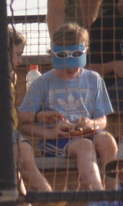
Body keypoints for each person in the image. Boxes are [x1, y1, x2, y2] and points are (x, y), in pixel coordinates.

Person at [19, 23, 117, 191]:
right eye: (64, 60)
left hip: (89, 131)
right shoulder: (43, 82)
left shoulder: (94, 79)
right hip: (58, 139)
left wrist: (90, 123)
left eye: (75, 59)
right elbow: (22, 121)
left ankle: (113, 193)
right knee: (85, 145)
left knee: (108, 140)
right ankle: (98, 195)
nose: (71, 67)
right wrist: (49, 130)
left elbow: (102, 120)